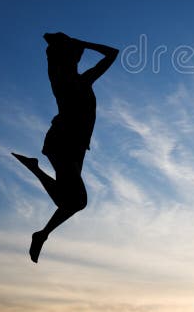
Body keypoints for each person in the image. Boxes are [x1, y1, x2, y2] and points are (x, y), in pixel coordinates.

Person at [12, 32, 118, 262]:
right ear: (66, 58)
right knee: (76, 201)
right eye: (76, 56)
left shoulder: (82, 79)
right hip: (64, 141)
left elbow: (113, 53)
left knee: (72, 200)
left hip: (76, 143)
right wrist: (80, 44)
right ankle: (41, 230)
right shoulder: (62, 79)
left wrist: (80, 43)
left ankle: (42, 233)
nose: (79, 58)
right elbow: (111, 54)